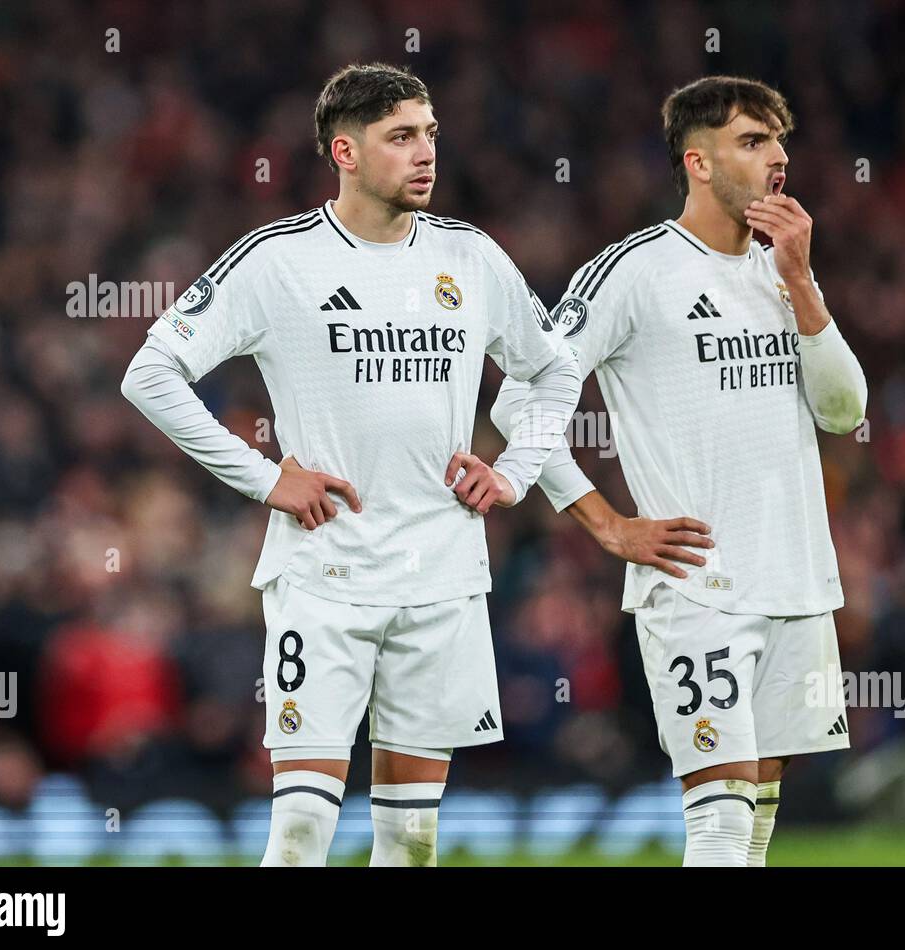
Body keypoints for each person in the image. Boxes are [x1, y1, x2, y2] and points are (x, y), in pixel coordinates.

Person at [121, 63, 582, 866]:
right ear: (345, 150)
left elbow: (555, 369)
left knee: (411, 838)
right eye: (401, 136)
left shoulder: (470, 257)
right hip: (324, 575)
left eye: (430, 133)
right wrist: (266, 477)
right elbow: (150, 373)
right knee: (301, 830)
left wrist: (515, 468)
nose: (425, 152)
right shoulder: (277, 260)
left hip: (441, 574)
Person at [491, 75, 867, 866]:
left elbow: (843, 410)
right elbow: (518, 403)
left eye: (781, 141)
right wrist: (605, 522)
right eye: (754, 141)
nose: (779, 159)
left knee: (755, 828)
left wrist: (800, 276)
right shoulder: (635, 271)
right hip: (701, 585)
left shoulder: (781, 272)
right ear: (698, 161)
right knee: (722, 826)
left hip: (798, 581)